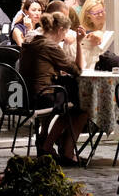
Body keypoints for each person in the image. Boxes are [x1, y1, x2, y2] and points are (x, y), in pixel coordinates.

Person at [18, 10, 88, 162]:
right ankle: (53, 146)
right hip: (42, 95)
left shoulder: (32, 41)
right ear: (60, 30)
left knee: (71, 102)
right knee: (80, 108)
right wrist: (79, 42)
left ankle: (51, 142)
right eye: (65, 33)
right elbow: (77, 70)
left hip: (25, 94)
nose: (64, 37)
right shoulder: (50, 46)